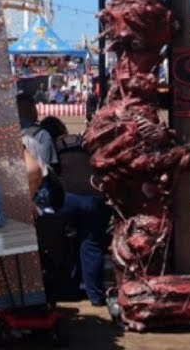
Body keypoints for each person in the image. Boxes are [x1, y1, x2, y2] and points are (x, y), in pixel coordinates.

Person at [41, 117, 112, 308]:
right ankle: (96, 296)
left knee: (63, 243)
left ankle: (69, 290)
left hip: (68, 198)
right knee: (92, 245)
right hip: (96, 196)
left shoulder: (52, 146)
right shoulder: (84, 143)